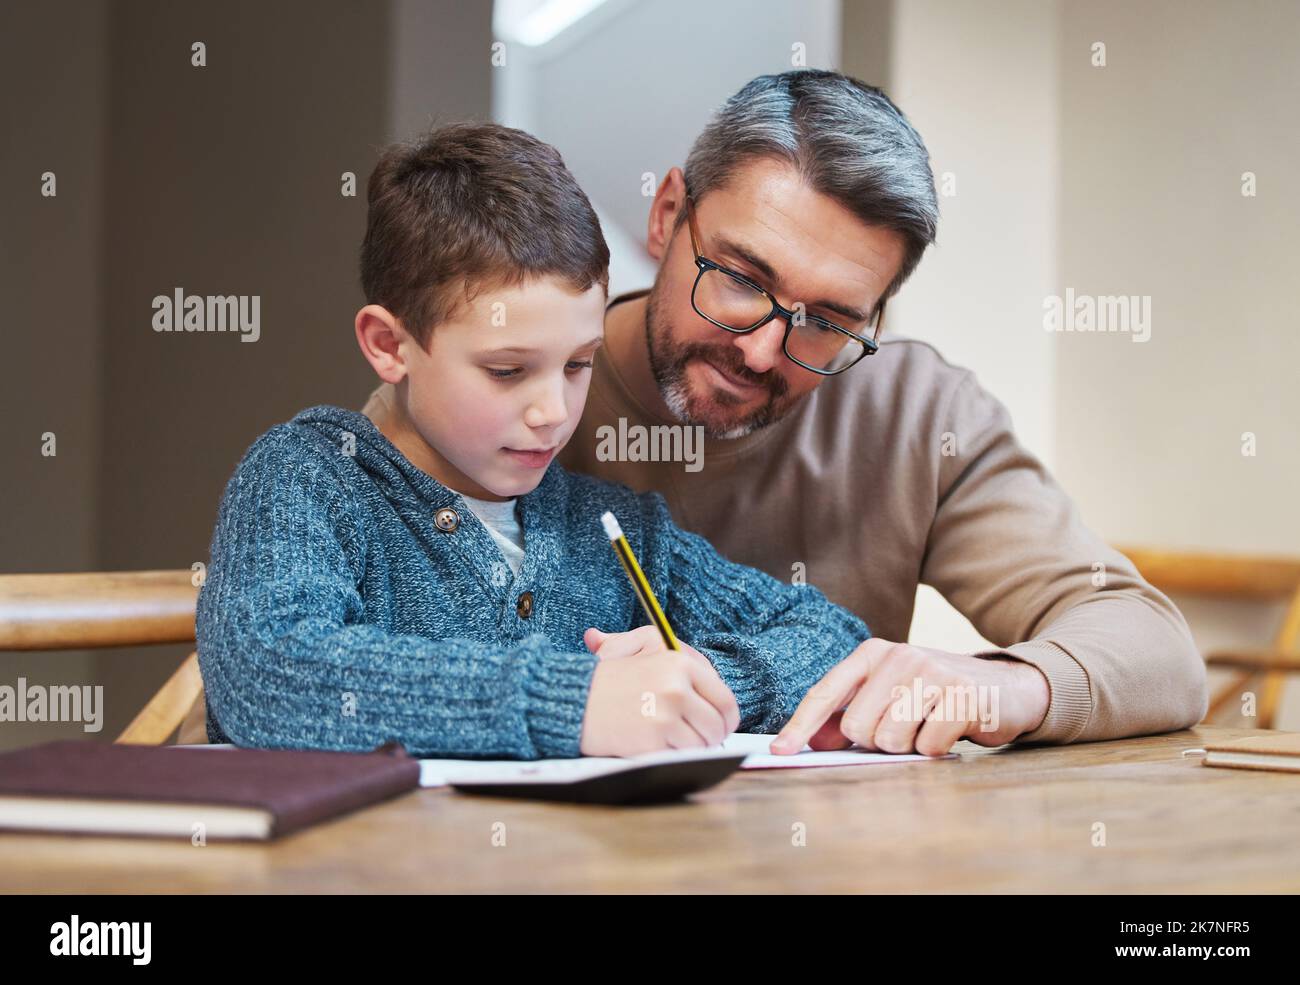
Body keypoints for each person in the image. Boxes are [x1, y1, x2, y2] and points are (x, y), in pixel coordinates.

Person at [195, 121, 876, 759]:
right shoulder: (309, 476)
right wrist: (572, 700)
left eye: (578, 364)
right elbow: (270, 675)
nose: (552, 411)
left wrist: (704, 674)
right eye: (507, 370)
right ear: (389, 344)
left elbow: (833, 640)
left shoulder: (613, 530)